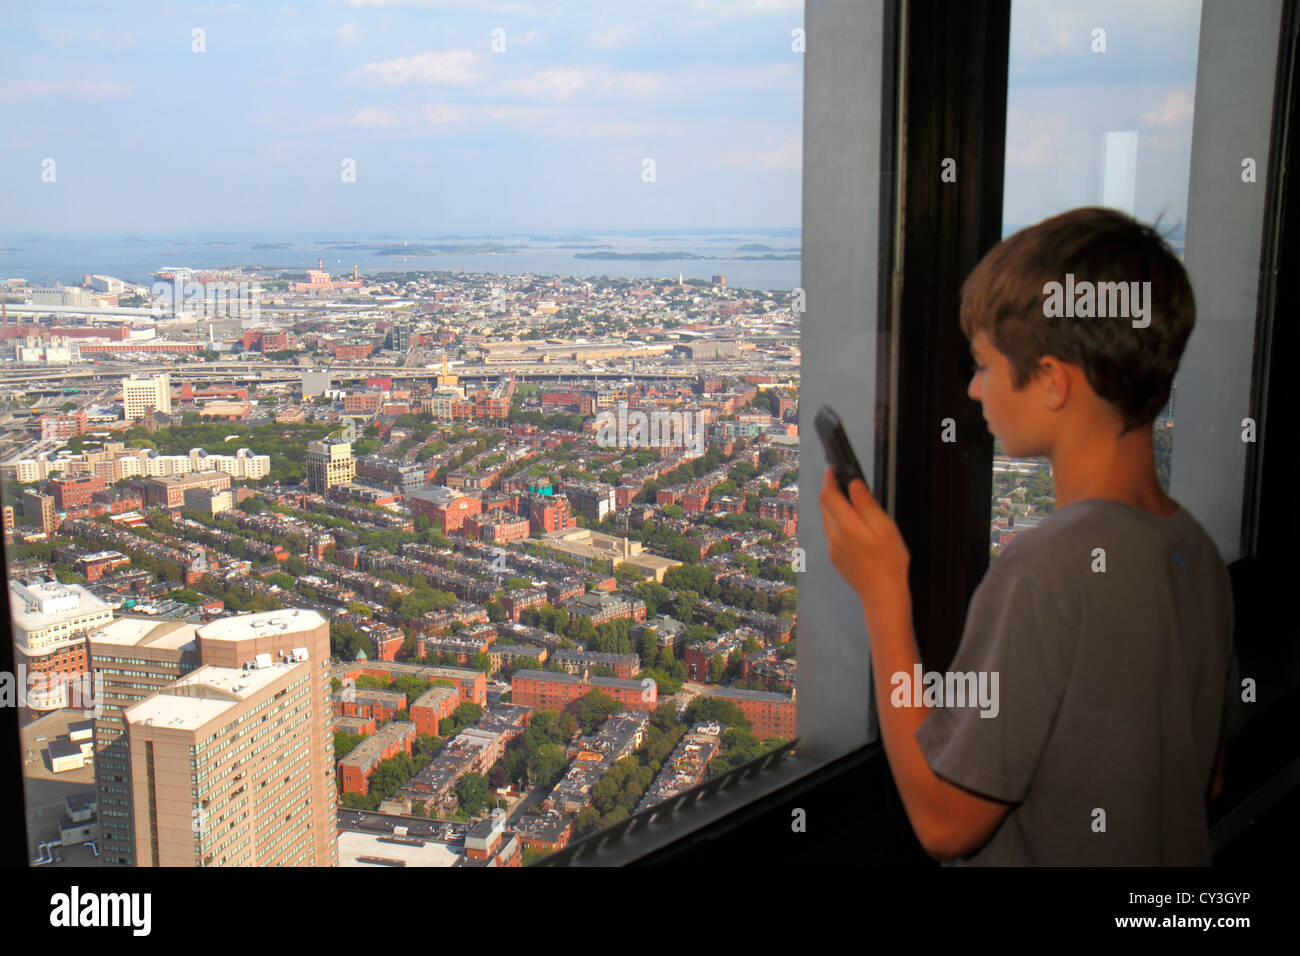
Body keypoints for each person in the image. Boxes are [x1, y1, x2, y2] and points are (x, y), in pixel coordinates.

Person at [819, 206, 1244, 864]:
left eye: (984, 364)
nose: (972, 386)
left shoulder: (1045, 573)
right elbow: (1205, 778)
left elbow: (944, 819)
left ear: (1051, 381)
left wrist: (883, 594)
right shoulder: (1194, 550)